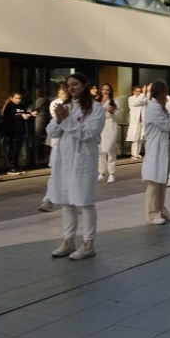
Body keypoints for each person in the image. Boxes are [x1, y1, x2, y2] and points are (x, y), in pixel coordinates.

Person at [48, 73, 104, 260]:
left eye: (75, 84)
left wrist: (66, 120)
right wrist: (59, 119)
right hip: (65, 160)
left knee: (85, 202)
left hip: (83, 160)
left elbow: (87, 133)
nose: (71, 88)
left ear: (85, 85)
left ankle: (89, 243)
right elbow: (51, 132)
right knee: (67, 201)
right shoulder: (66, 106)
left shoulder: (96, 109)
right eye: (68, 85)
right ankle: (68, 240)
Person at [141, 80, 170, 225]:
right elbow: (168, 125)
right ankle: (152, 213)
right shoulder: (154, 108)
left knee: (162, 182)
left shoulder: (160, 107)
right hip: (156, 149)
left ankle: (161, 209)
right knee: (155, 182)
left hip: (163, 149)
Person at [39, 85, 69, 212]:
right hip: (58, 146)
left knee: (71, 176)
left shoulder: (81, 108)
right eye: (61, 93)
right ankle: (48, 200)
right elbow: (51, 130)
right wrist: (60, 118)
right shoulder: (56, 104)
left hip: (74, 150)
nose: (63, 95)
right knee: (55, 174)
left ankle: (75, 202)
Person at [2, 91, 35, 174]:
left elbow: (24, 114)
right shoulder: (9, 106)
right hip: (12, 130)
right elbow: (9, 117)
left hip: (21, 130)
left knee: (18, 148)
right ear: (11, 98)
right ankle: (11, 166)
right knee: (13, 148)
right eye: (16, 98)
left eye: (19, 98)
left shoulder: (22, 106)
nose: (18, 100)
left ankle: (16, 165)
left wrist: (30, 114)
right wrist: (21, 116)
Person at [97, 83, 119, 184]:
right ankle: (101, 173)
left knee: (110, 150)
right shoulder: (97, 102)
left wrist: (111, 112)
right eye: (103, 89)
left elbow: (117, 116)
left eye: (107, 90)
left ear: (110, 91)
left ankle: (111, 173)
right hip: (99, 128)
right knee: (100, 151)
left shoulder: (114, 102)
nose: (105, 92)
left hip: (110, 126)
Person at [126, 85, 147, 159]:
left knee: (140, 138)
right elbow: (137, 102)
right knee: (135, 138)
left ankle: (138, 153)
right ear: (133, 92)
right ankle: (133, 154)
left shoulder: (143, 98)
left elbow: (144, 102)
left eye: (139, 91)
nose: (138, 93)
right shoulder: (131, 99)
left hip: (142, 121)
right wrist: (143, 93)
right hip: (135, 121)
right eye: (137, 91)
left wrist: (144, 95)